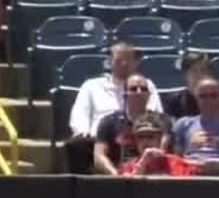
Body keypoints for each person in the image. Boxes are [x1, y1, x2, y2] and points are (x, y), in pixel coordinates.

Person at [68, 42, 162, 174]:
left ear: (136, 62)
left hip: (135, 135)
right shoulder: (91, 85)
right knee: (77, 145)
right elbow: (79, 114)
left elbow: (155, 114)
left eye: (128, 60)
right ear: (110, 62)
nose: (124, 64)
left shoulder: (145, 85)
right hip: (97, 137)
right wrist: (83, 131)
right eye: (119, 60)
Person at [94, 74, 165, 176]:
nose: (139, 92)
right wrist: (117, 176)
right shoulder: (109, 122)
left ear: (149, 94)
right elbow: (99, 156)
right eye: (133, 89)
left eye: (143, 89)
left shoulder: (161, 120)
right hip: (120, 176)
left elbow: (162, 150)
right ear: (124, 94)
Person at [120, 112, 197, 177]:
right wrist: (143, 164)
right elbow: (128, 190)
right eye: (141, 137)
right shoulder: (128, 167)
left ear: (159, 139)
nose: (145, 141)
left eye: (150, 137)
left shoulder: (177, 163)